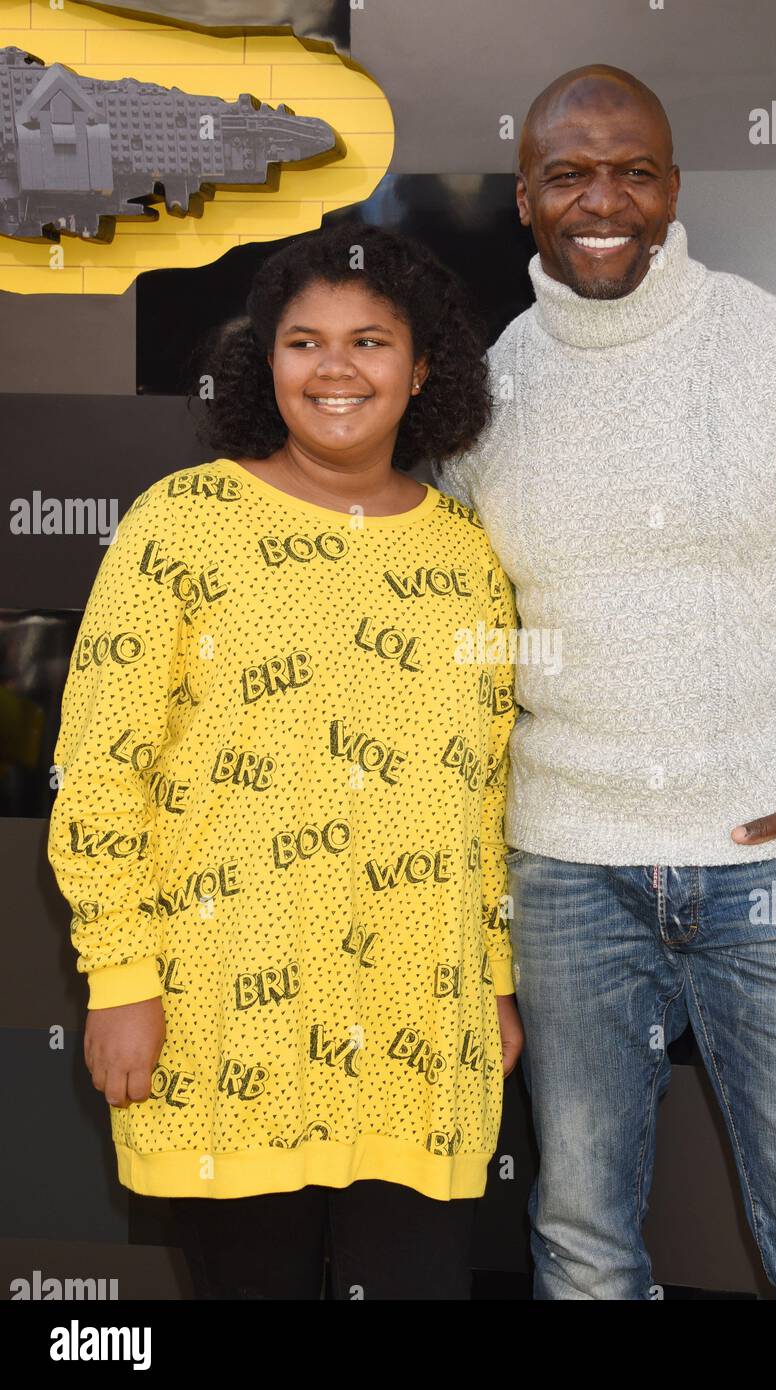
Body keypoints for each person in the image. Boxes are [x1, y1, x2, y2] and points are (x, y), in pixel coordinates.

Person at [438, 65, 776, 1300]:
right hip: (563, 873)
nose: (601, 199)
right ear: (525, 199)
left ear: (673, 188)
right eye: (569, 175)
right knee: (578, 1243)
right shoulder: (479, 393)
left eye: (631, 171)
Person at [47, 219, 524, 1300]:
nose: (336, 368)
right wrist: (121, 978)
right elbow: (103, 767)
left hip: (418, 1020)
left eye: (370, 340)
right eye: (304, 341)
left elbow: (482, 792)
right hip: (223, 1021)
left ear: (422, 369)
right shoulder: (179, 525)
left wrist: (490, 981)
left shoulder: (466, 554)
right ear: (265, 364)